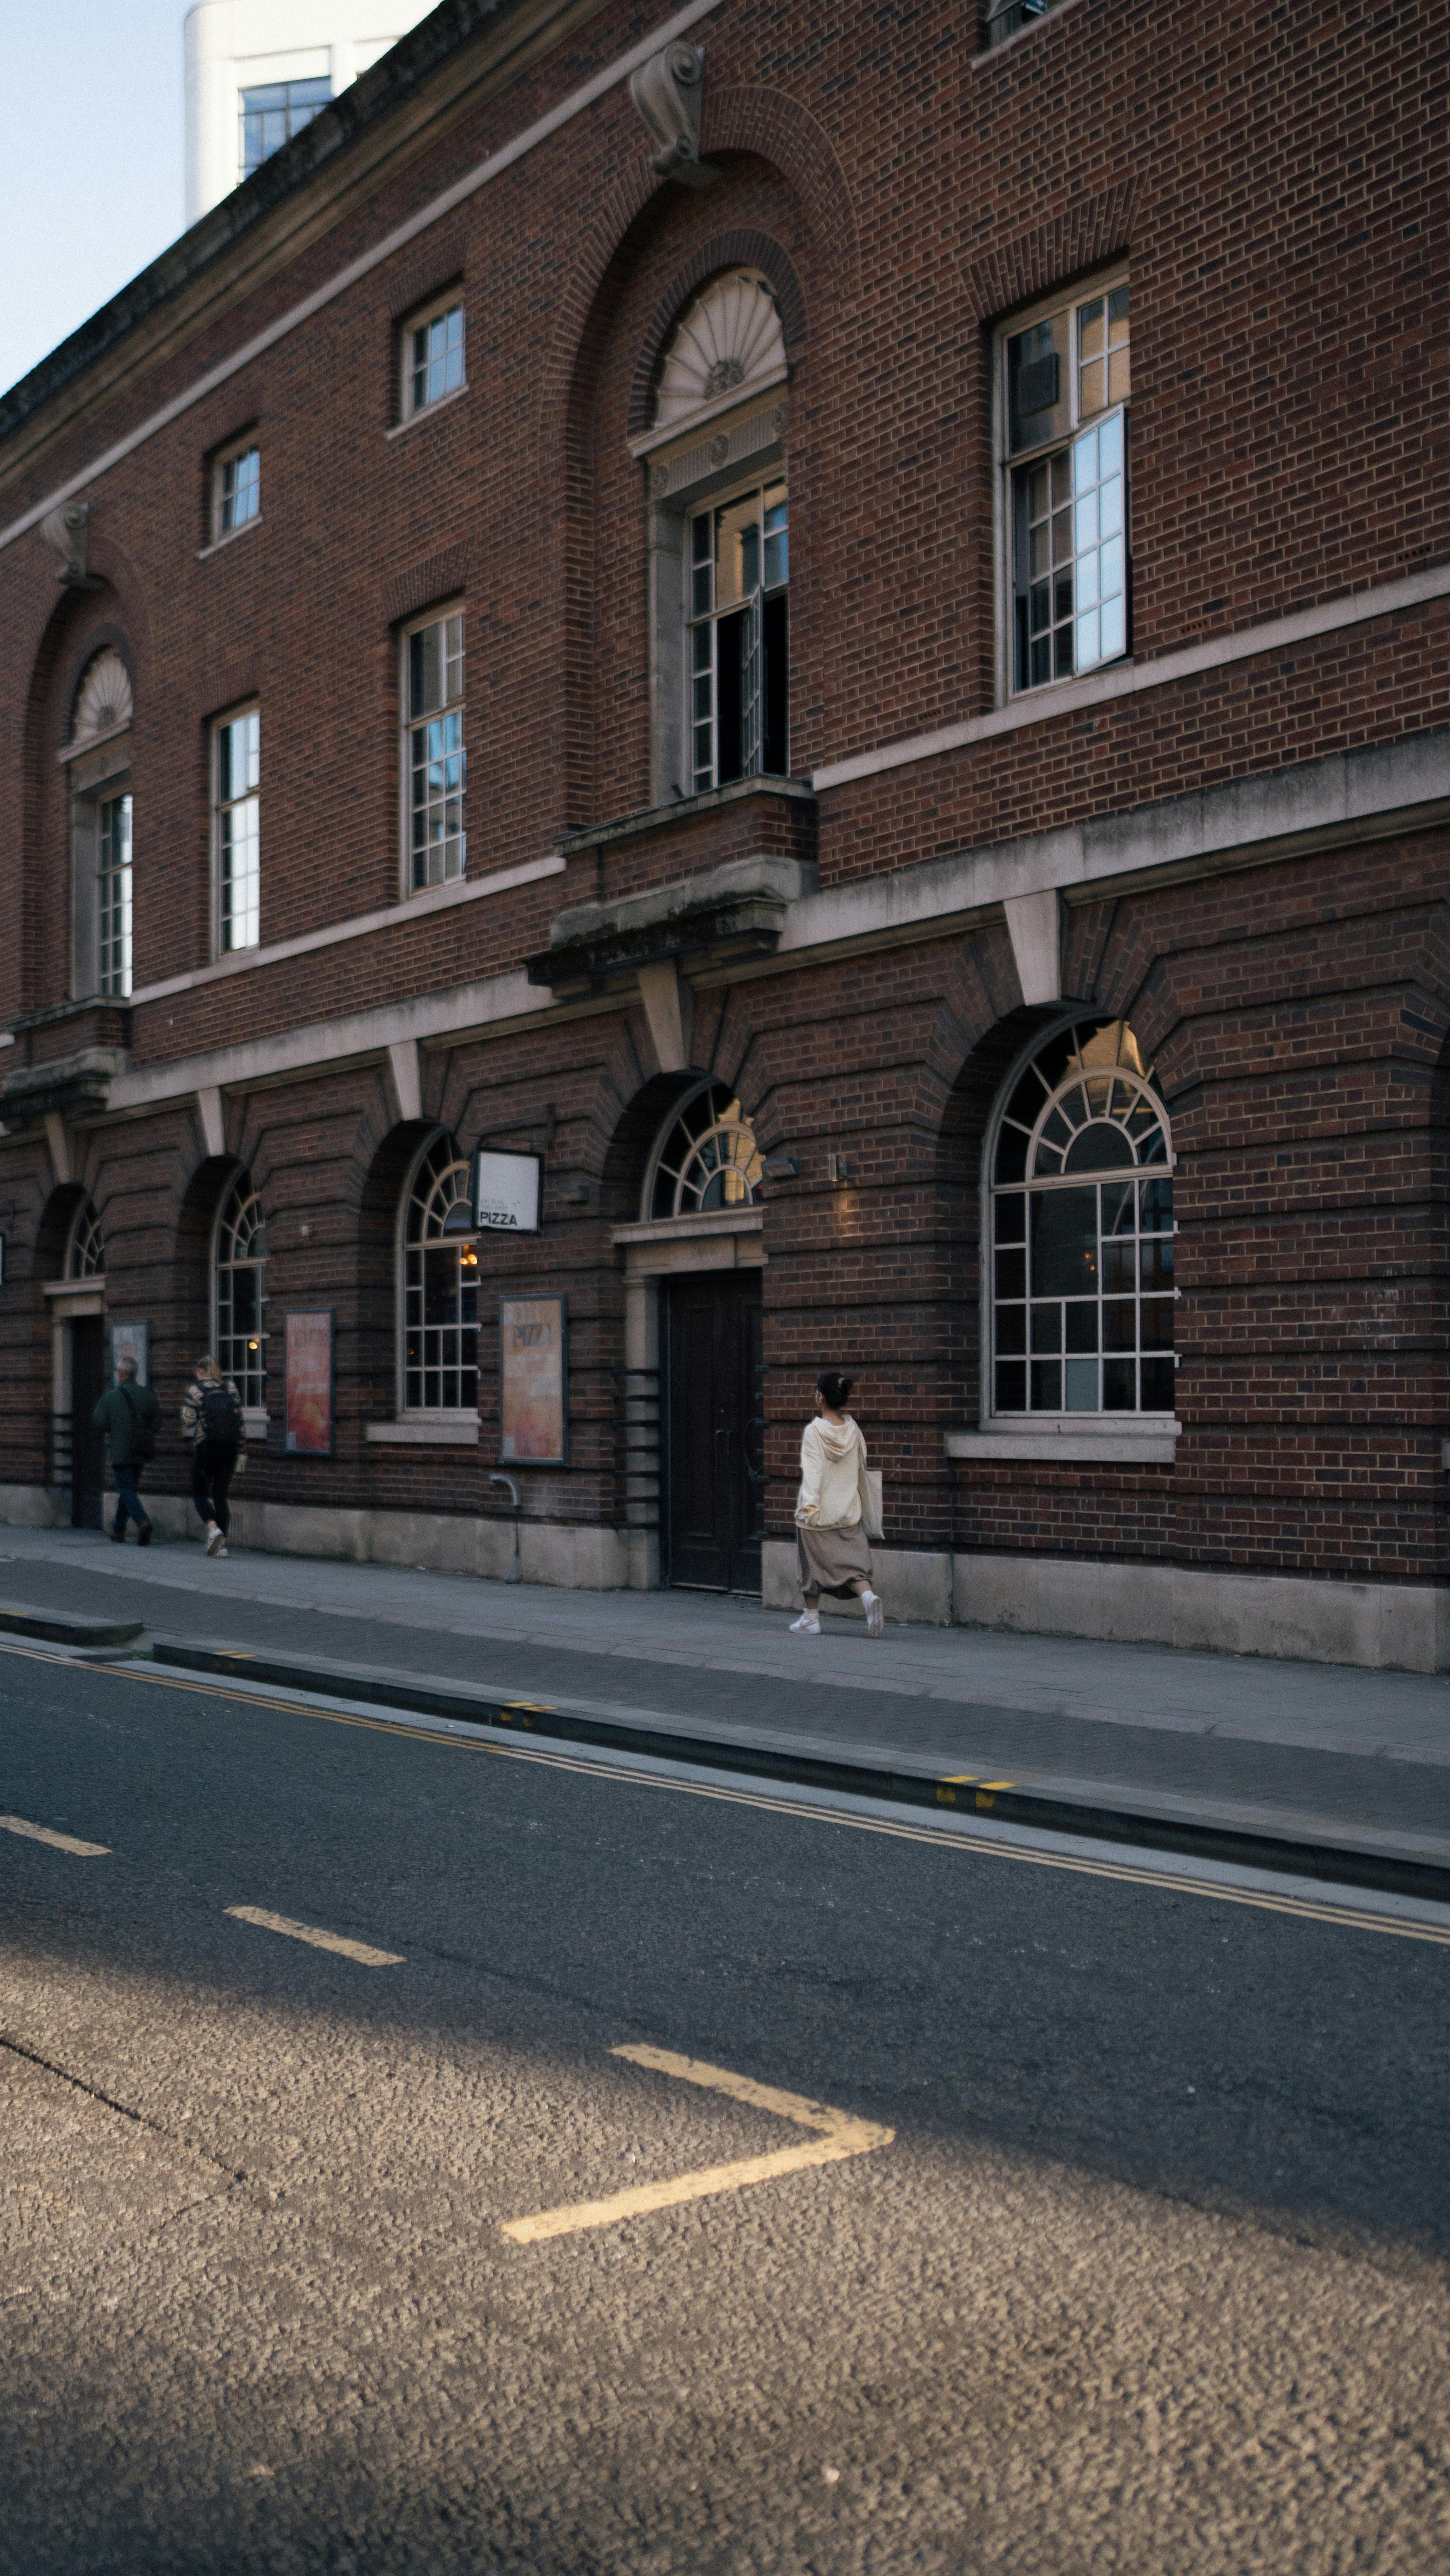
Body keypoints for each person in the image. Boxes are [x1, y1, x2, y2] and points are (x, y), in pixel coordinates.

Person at [791, 1369, 884, 1638]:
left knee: (810, 1568)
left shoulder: (815, 1432)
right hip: (848, 1511)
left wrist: (809, 1508)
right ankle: (868, 1599)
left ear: (820, 1397)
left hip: (819, 1514)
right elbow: (860, 1467)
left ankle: (811, 1619)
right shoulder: (854, 1430)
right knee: (854, 1567)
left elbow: (814, 1472)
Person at [92, 1347, 161, 1546]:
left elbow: (99, 1422)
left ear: (121, 1374)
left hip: (120, 1450)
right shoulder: (148, 1395)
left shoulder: (111, 1397)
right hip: (141, 1450)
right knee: (128, 1489)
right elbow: (157, 1424)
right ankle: (119, 1530)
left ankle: (142, 1522)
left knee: (125, 1488)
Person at [181, 1353, 246, 1558]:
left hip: (206, 1448)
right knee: (220, 1496)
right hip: (230, 1449)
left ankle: (213, 1529)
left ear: (200, 1372)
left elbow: (189, 1422)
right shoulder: (231, 1388)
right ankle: (222, 1545)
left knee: (200, 1493)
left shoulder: (196, 1391)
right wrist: (242, 1450)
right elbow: (240, 1422)